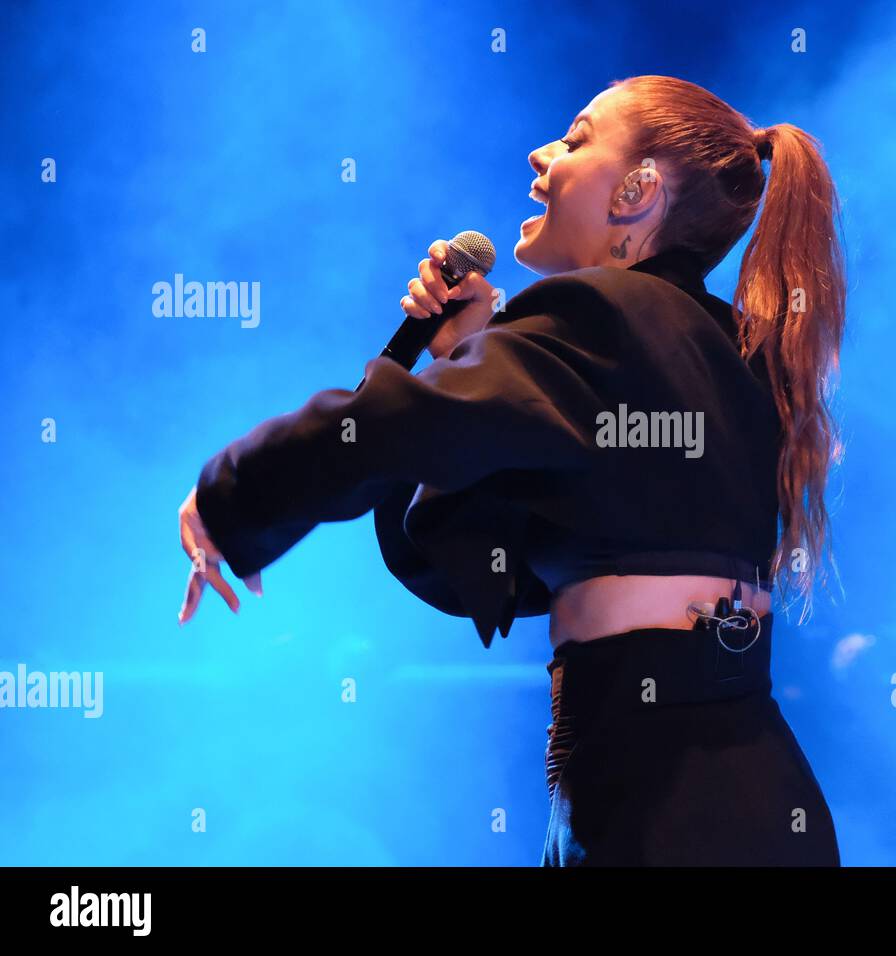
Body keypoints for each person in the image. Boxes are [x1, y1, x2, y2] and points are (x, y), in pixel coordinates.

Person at [177, 74, 846, 866]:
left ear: (637, 190)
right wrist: (463, 352)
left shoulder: (603, 315)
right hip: (707, 785)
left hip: (670, 802)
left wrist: (232, 497)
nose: (541, 153)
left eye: (575, 138)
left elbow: (390, 430)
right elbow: (479, 562)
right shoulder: (717, 347)